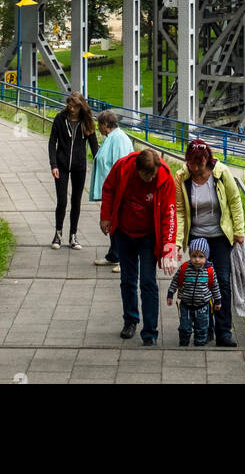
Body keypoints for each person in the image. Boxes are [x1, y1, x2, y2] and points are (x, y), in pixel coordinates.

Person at [100, 147, 177, 346]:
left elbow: (169, 213)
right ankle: (130, 320)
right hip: (124, 232)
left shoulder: (164, 178)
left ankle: (150, 331)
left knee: (148, 282)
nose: (150, 180)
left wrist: (169, 246)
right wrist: (106, 217)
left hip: (149, 236)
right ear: (137, 169)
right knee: (128, 279)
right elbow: (108, 188)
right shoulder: (123, 167)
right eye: (146, 176)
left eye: (153, 175)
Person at [174, 138, 245, 348]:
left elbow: (235, 201)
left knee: (222, 281)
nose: (197, 169)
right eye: (192, 164)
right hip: (197, 236)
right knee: (199, 282)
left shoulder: (222, 173)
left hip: (220, 236)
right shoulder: (182, 177)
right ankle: (205, 329)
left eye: (200, 165)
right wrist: (178, 241)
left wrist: (239, 232)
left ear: (207, 160)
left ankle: (224, 331)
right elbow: (179, 210)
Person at [48, 92, 99, 251]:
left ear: (81, 106)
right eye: (70, 104)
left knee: (76, 201)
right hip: (61, 166)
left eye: (75, 106)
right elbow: (52, 142)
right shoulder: (60, 118)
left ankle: (73, 235)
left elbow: (94, 145)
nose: (71, 108)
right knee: (62, 201)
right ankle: (58, 234)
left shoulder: (86, 121)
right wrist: (53, 164)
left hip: (79, 166)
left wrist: (100, 165)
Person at [90, 110, 133, 270]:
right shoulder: (112, 138)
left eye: (99, 125)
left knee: (120, 225)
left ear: (105, 125)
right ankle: (114, 255)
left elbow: (121, 166)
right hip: (111, 191)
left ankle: (124, 259)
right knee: (114, 223)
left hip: (119, 191)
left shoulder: (119, 139)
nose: (98, 128)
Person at [166, 237, 222, 347]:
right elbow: (175, 281)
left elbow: (215, 286)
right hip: (185, 306)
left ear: (206, 256)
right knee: (184, 329)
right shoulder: (184, 268)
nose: (197, 259)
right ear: (190, 255)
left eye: (201, 256)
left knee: (201, 329)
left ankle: (199, 347)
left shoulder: (209, 271)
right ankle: (183, 345)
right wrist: (170, 294)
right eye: (194, 256)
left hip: (202, 307)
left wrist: (218, 301)